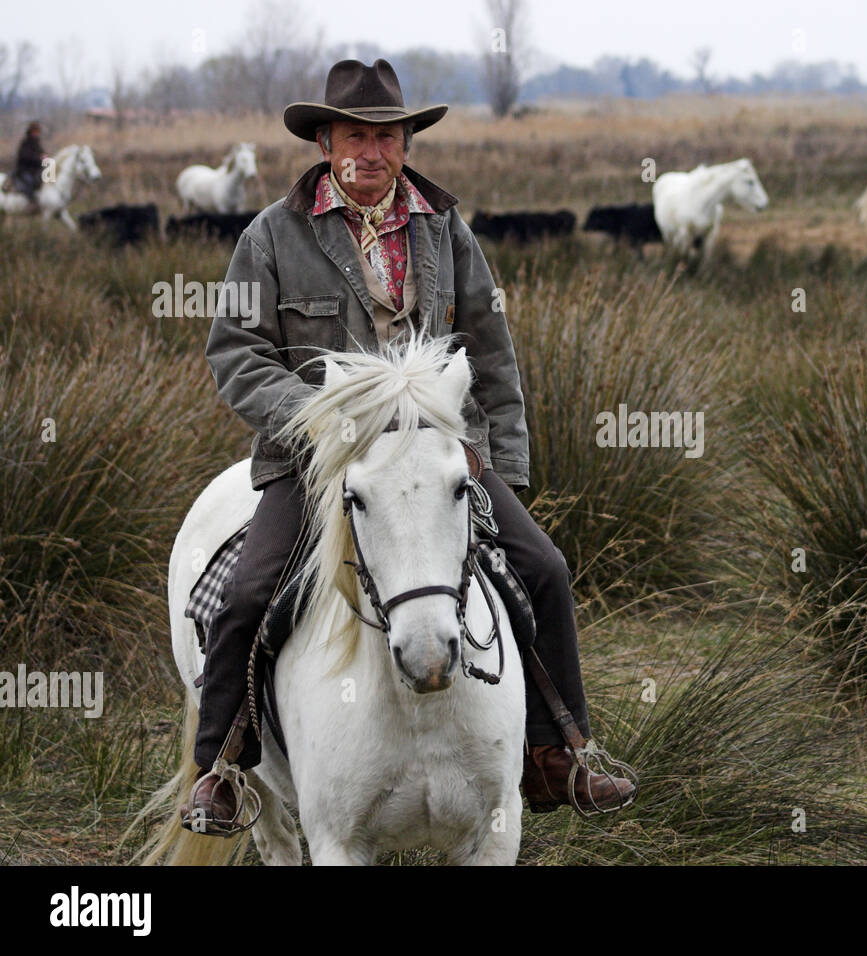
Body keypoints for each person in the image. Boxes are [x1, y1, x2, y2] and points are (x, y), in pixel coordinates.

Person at [183, 58, 637, 834]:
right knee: (248, 596)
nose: (372, 151)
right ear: (326, 142)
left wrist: (499, 469)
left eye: (386, 136)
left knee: (545, 570)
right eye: (355, 135)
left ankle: (562, 754)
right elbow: (234, 351)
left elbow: (490, 353)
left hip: (437, 457)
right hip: (319, 461)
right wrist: (324, 416)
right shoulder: (270, 235)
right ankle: (222, 769)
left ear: (404, 142)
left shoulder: (443, 227)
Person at [6, 121, 46, 207]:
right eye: (36, 131)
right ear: (31, 132)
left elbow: (42, 153)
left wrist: (44, 157)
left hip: (36, 169)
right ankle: (30, 202)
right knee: (30, 182)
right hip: (24, 169)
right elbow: (25, 156)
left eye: (38, 132)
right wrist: (39, 158)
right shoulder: (25, 143)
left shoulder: (37, 143)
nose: (37, 133)